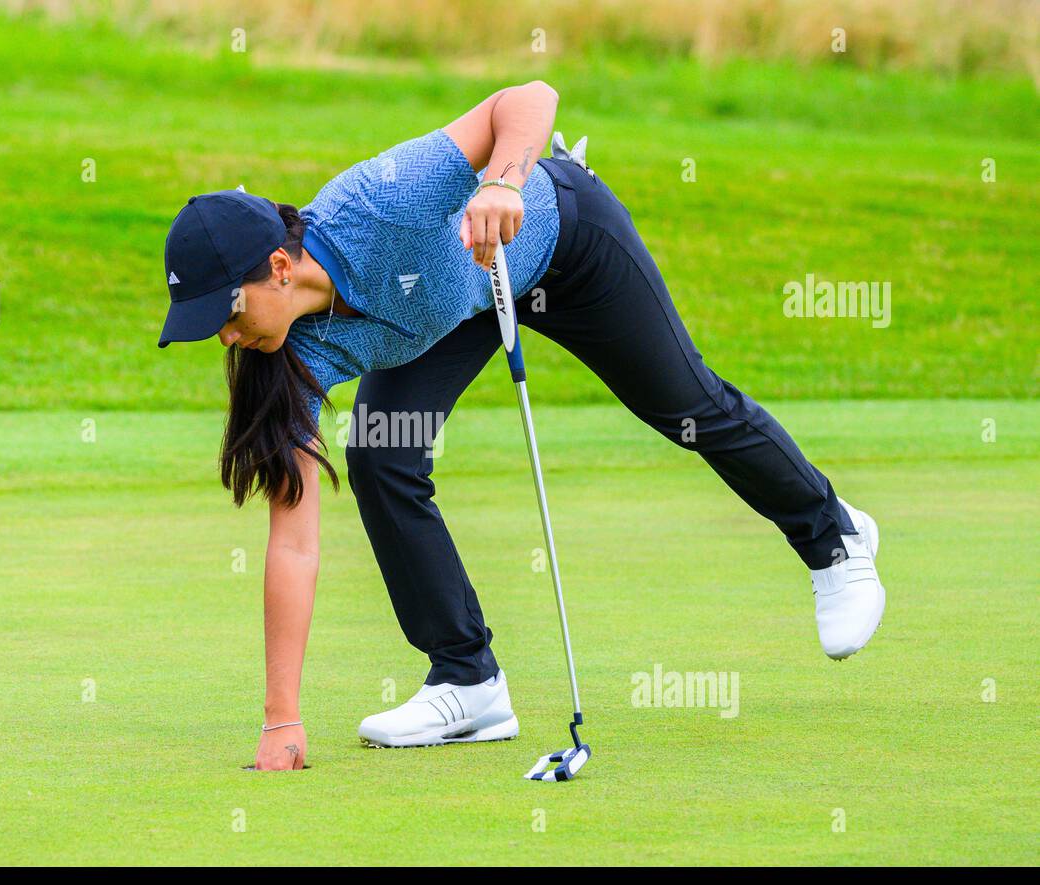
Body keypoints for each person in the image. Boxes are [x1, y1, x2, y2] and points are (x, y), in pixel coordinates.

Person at [157, 82, 886, 771]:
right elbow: (294, 542)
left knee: (687, 409)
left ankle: (832, 535)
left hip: (565, 242)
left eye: (225, 315)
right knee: (384, 456)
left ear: (278, 267)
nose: (223, 340)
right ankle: (468, 680)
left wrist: (502, 182)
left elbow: (529, 98)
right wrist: (280, 717)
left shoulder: (380, 202)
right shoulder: (288, 354)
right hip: (465, 300)